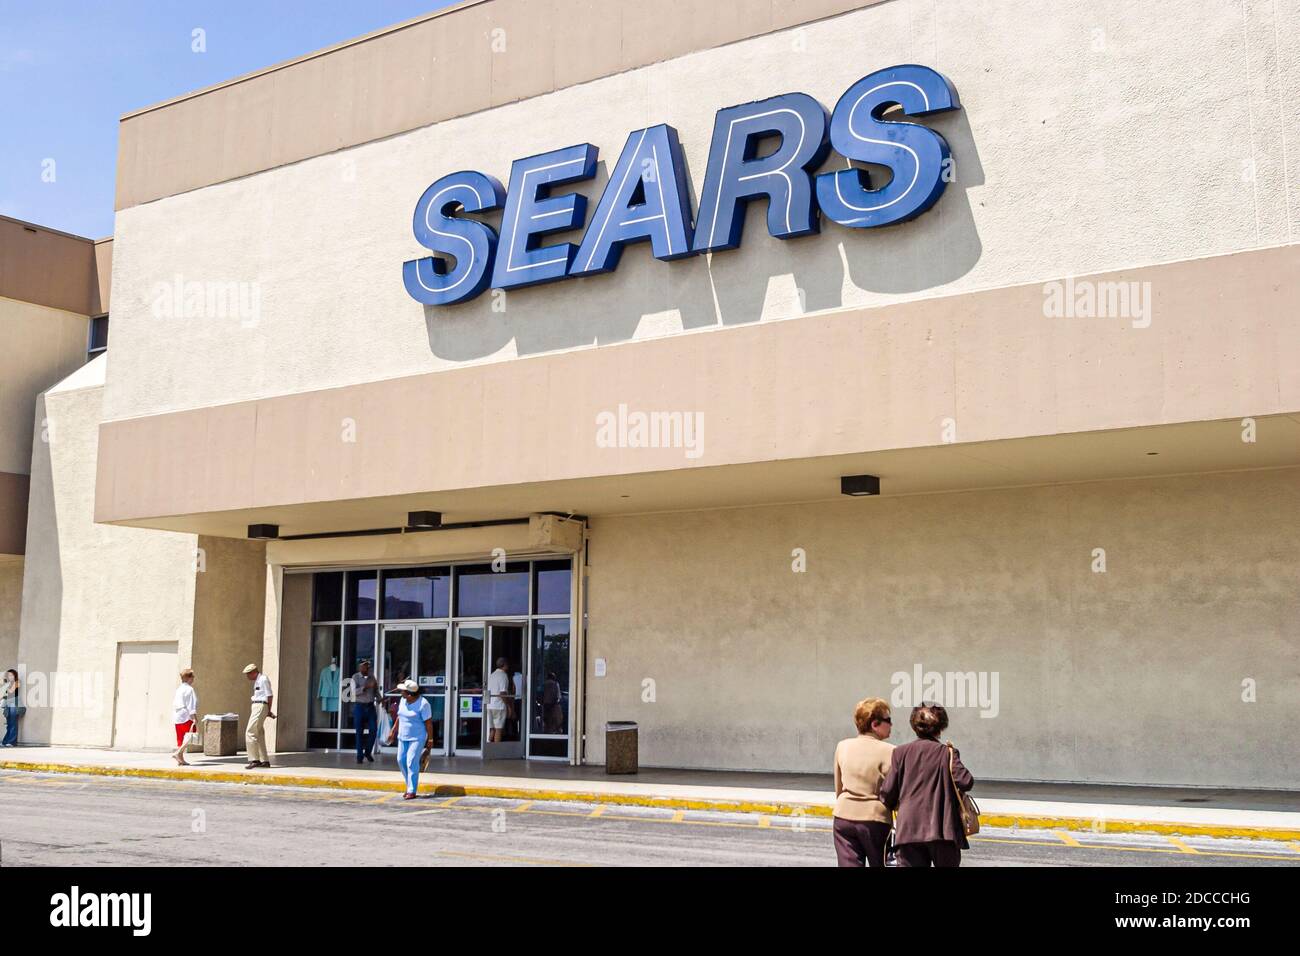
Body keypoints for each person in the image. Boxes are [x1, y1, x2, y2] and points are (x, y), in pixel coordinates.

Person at [880, 703, 975, 867]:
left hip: (909, 829)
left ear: (914, 726)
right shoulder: (947, 753)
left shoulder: (900, 753)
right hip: (943, 830)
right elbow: (966, 781)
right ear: (941, 727)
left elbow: (887, 792)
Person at [832, 697, 895, 867]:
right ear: (875, 724)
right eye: (888, 720)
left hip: (843, 816)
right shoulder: (891, 751)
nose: (891, 725)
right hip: (875, 819)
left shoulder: (842, 746)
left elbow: (839, 788)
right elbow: (894, 792)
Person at [384, 679, 432, 799]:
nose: (401, 693)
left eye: (403, 691)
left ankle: (412, 790)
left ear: (410, 694)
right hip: (402, 736)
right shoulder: (403, 701)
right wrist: (393, 731)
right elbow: (400, 716)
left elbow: (428, 723)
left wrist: (430, 740)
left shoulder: (423, 704)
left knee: (411, 762)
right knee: (401, 760)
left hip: (417, 738)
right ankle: (409, 784)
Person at [242, 663, 276, 769]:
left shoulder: (263, 679)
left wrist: (268, 710)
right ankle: (264, 760)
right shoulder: (257, 680)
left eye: (248, 674)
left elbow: (269, 695)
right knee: (259, 733)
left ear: (253, 672)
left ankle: (254, 759)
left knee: (250, 731)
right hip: (257, 705)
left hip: (260, 705)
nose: (247, 676)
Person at [350, 659, 379, 764]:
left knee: (374, 730)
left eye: (367, 666)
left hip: (370, 707)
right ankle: (359, 755)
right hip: (359, 707)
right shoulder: (355, 677)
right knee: (359, 732)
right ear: (360, 667)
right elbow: (353, 693)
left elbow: (376, 692)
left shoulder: (372, 678)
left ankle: (367, 752)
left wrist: (381, 700)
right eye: (364, 666)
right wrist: (365, 687)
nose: (366, 668)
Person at [171, 668, 199, 766]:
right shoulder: (189, 689)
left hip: (177, 716)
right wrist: (194, 718)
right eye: (192, 676)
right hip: (186, 716)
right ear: (188, 678)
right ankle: (178, 753)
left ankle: (180, 759)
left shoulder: (179, 689)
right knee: (191, 736)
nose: (194, 678)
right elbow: (191, 705)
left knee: (180, 738)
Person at [486, 657, 510, 743]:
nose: (508, 666)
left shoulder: (492, 675)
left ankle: (488, 747)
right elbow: (502, 693)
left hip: (489, 705)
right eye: (507, 664)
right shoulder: (503, 675)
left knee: (492, 729)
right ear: (504, 665)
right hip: (498, 706)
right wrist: (508, 706)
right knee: (498, 730)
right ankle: (495, 752)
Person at [2, 669, 20, 747]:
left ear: (15, 675)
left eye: (12, 675)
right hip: (8, 704)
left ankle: (12, 742)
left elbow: (11, 691)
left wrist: (5, 685)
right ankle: (5, 741)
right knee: (9, 724)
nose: (10, 676)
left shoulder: (17, 682)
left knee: (13, 723)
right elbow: (4, 695)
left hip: (14, 704)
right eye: (9, 675)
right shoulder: (8, 684)